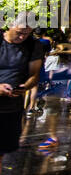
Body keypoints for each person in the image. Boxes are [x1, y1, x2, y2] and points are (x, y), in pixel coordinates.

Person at [0, 13, 46, 166]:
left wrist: (25, 86)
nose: (22, 38)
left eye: (27, 34)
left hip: (11, 108)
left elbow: (34, 75)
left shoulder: (33, 45)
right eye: (19, 33)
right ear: (10, 25)